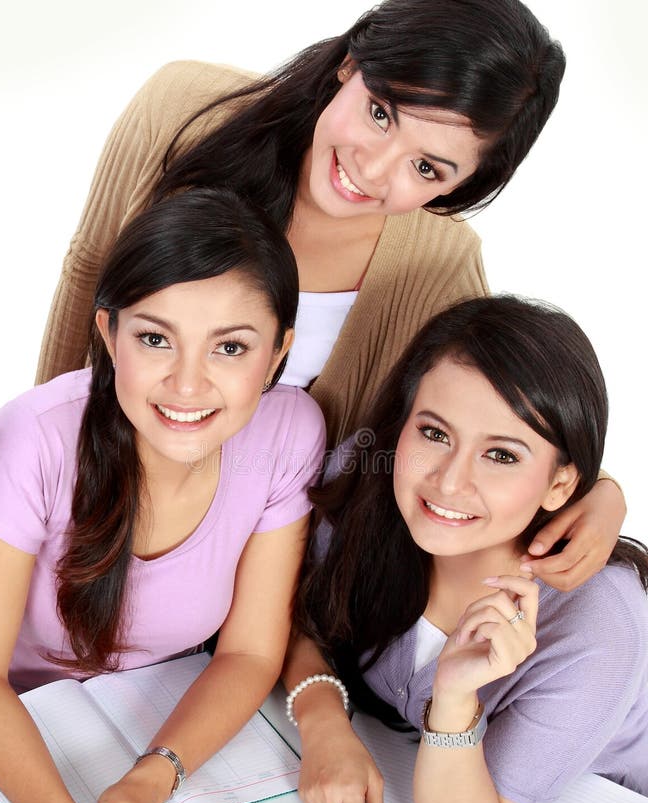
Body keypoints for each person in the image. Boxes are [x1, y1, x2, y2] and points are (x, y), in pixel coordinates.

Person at [34, 0, 625, 593]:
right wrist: (41, 481)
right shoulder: (179, 109)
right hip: (89, 529)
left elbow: (498, 410)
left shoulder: (436, 262)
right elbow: (88, 284)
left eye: (426, 168)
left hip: (264, 592)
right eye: (380, 113)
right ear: (350, 63)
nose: (372, 168)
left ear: (462, 185)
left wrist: (604, 491)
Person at [0, 188, 326, 803]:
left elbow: (252, 651)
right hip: (5, 735)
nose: (189, 383)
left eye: (230, 347)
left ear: (279, 349)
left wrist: (148, 777)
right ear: (109, 334)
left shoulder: (290, 433)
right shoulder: (34, 439)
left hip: (137, 720)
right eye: (155, 338)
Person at [288, 295, 648, 803]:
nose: (450, 482)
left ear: (560, 485)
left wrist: (454, 698)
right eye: (433, 433)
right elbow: (297, 616)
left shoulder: (596, 627)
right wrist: (324, 722)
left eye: (501, 455)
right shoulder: (363, 486)